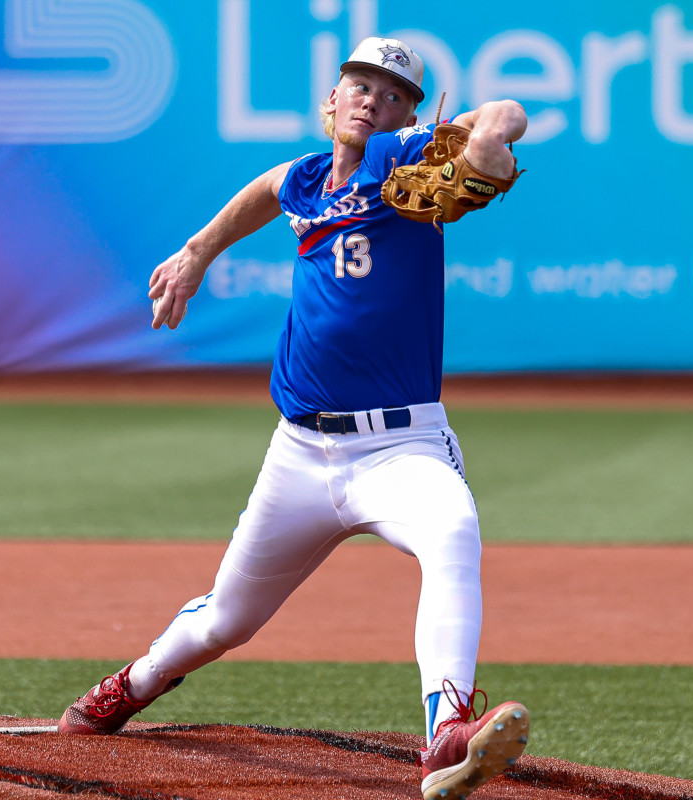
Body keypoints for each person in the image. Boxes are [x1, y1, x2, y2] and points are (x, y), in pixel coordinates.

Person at [59, 36, 529, 800]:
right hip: (302, 454)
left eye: (391, 91)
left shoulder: (396, 163)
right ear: (332, 101)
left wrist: (486, 142)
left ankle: (446, 731)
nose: (371, 97)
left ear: (411, 115)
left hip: (402, 446)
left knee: (453, 532)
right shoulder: (307, 179)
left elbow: (506, 115)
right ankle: (133, 683)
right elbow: (266, 190)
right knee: (226, 621)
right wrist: (195, 253)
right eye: (359, 83)